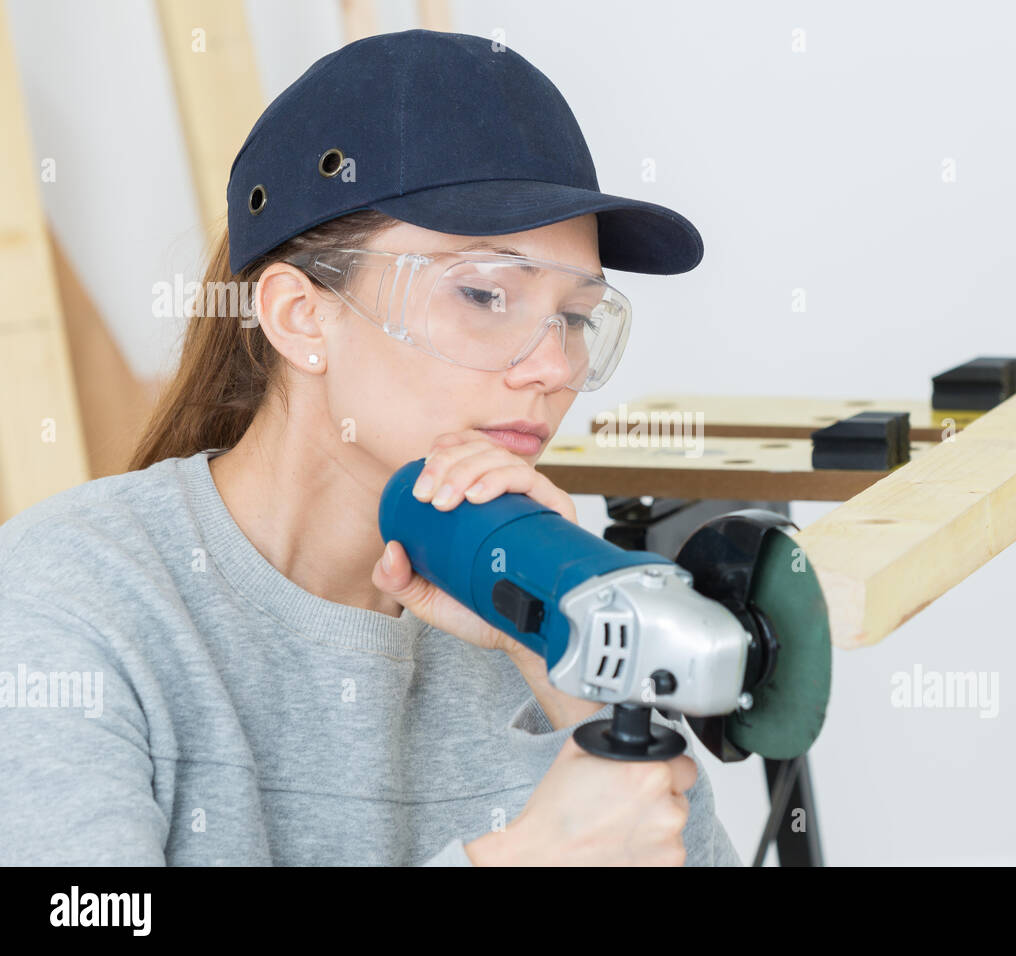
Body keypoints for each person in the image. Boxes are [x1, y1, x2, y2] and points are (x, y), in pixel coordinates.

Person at [0, 29, 741, 866]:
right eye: (484, 293)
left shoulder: (528, 619)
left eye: (576, 319)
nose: (550, 367)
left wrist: (571, 680)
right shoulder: (70, 599)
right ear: (298, 316)